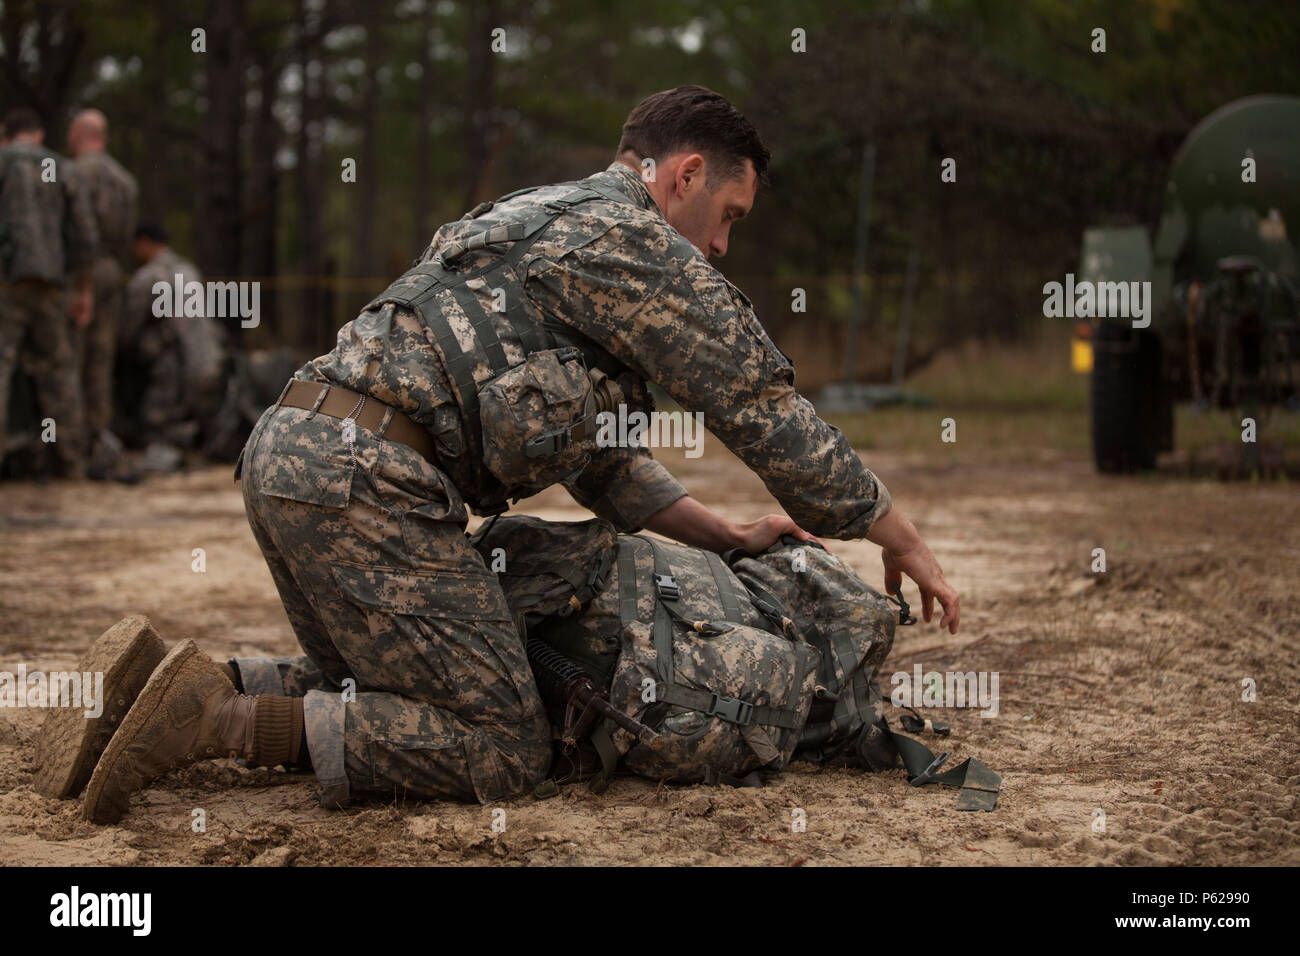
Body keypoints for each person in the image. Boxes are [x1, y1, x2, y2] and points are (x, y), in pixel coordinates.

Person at [75, 86, 959, 824]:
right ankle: (212, 722)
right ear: (686, 174)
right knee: (501, 743)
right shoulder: (641, 247)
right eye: (727, 214)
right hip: (368, 480)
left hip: (292, 451)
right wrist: (895, 532)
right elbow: (761, 408)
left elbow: (598, 458)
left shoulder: (528, 217)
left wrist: (720, 535)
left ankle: (167, 684)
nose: (724, 245)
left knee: (379, 680)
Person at [0, 107, 98, 479]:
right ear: (39, 134)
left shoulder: (4, 162)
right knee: (60, 370)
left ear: (7, 135)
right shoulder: (62, 168)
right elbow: (86, 236)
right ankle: (71, 463)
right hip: (53, 285)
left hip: (7, 283)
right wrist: (83, 289)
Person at [67, 109, 138, 476]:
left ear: (78, 134)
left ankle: (71, 448)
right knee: (100, 360)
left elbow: (76, 229)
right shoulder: (124, 179)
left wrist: (81, 281)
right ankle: (100, 440)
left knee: (71, 359)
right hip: (113, 269)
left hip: (83, 272)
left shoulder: (76, 171)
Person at [117, 222, 225, 460]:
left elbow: (127, 328)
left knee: (155, 418)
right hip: (209, 358)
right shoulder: (189, 270)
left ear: (144, 243)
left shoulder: (148, 276)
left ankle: (165, 450)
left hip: (176, 363)